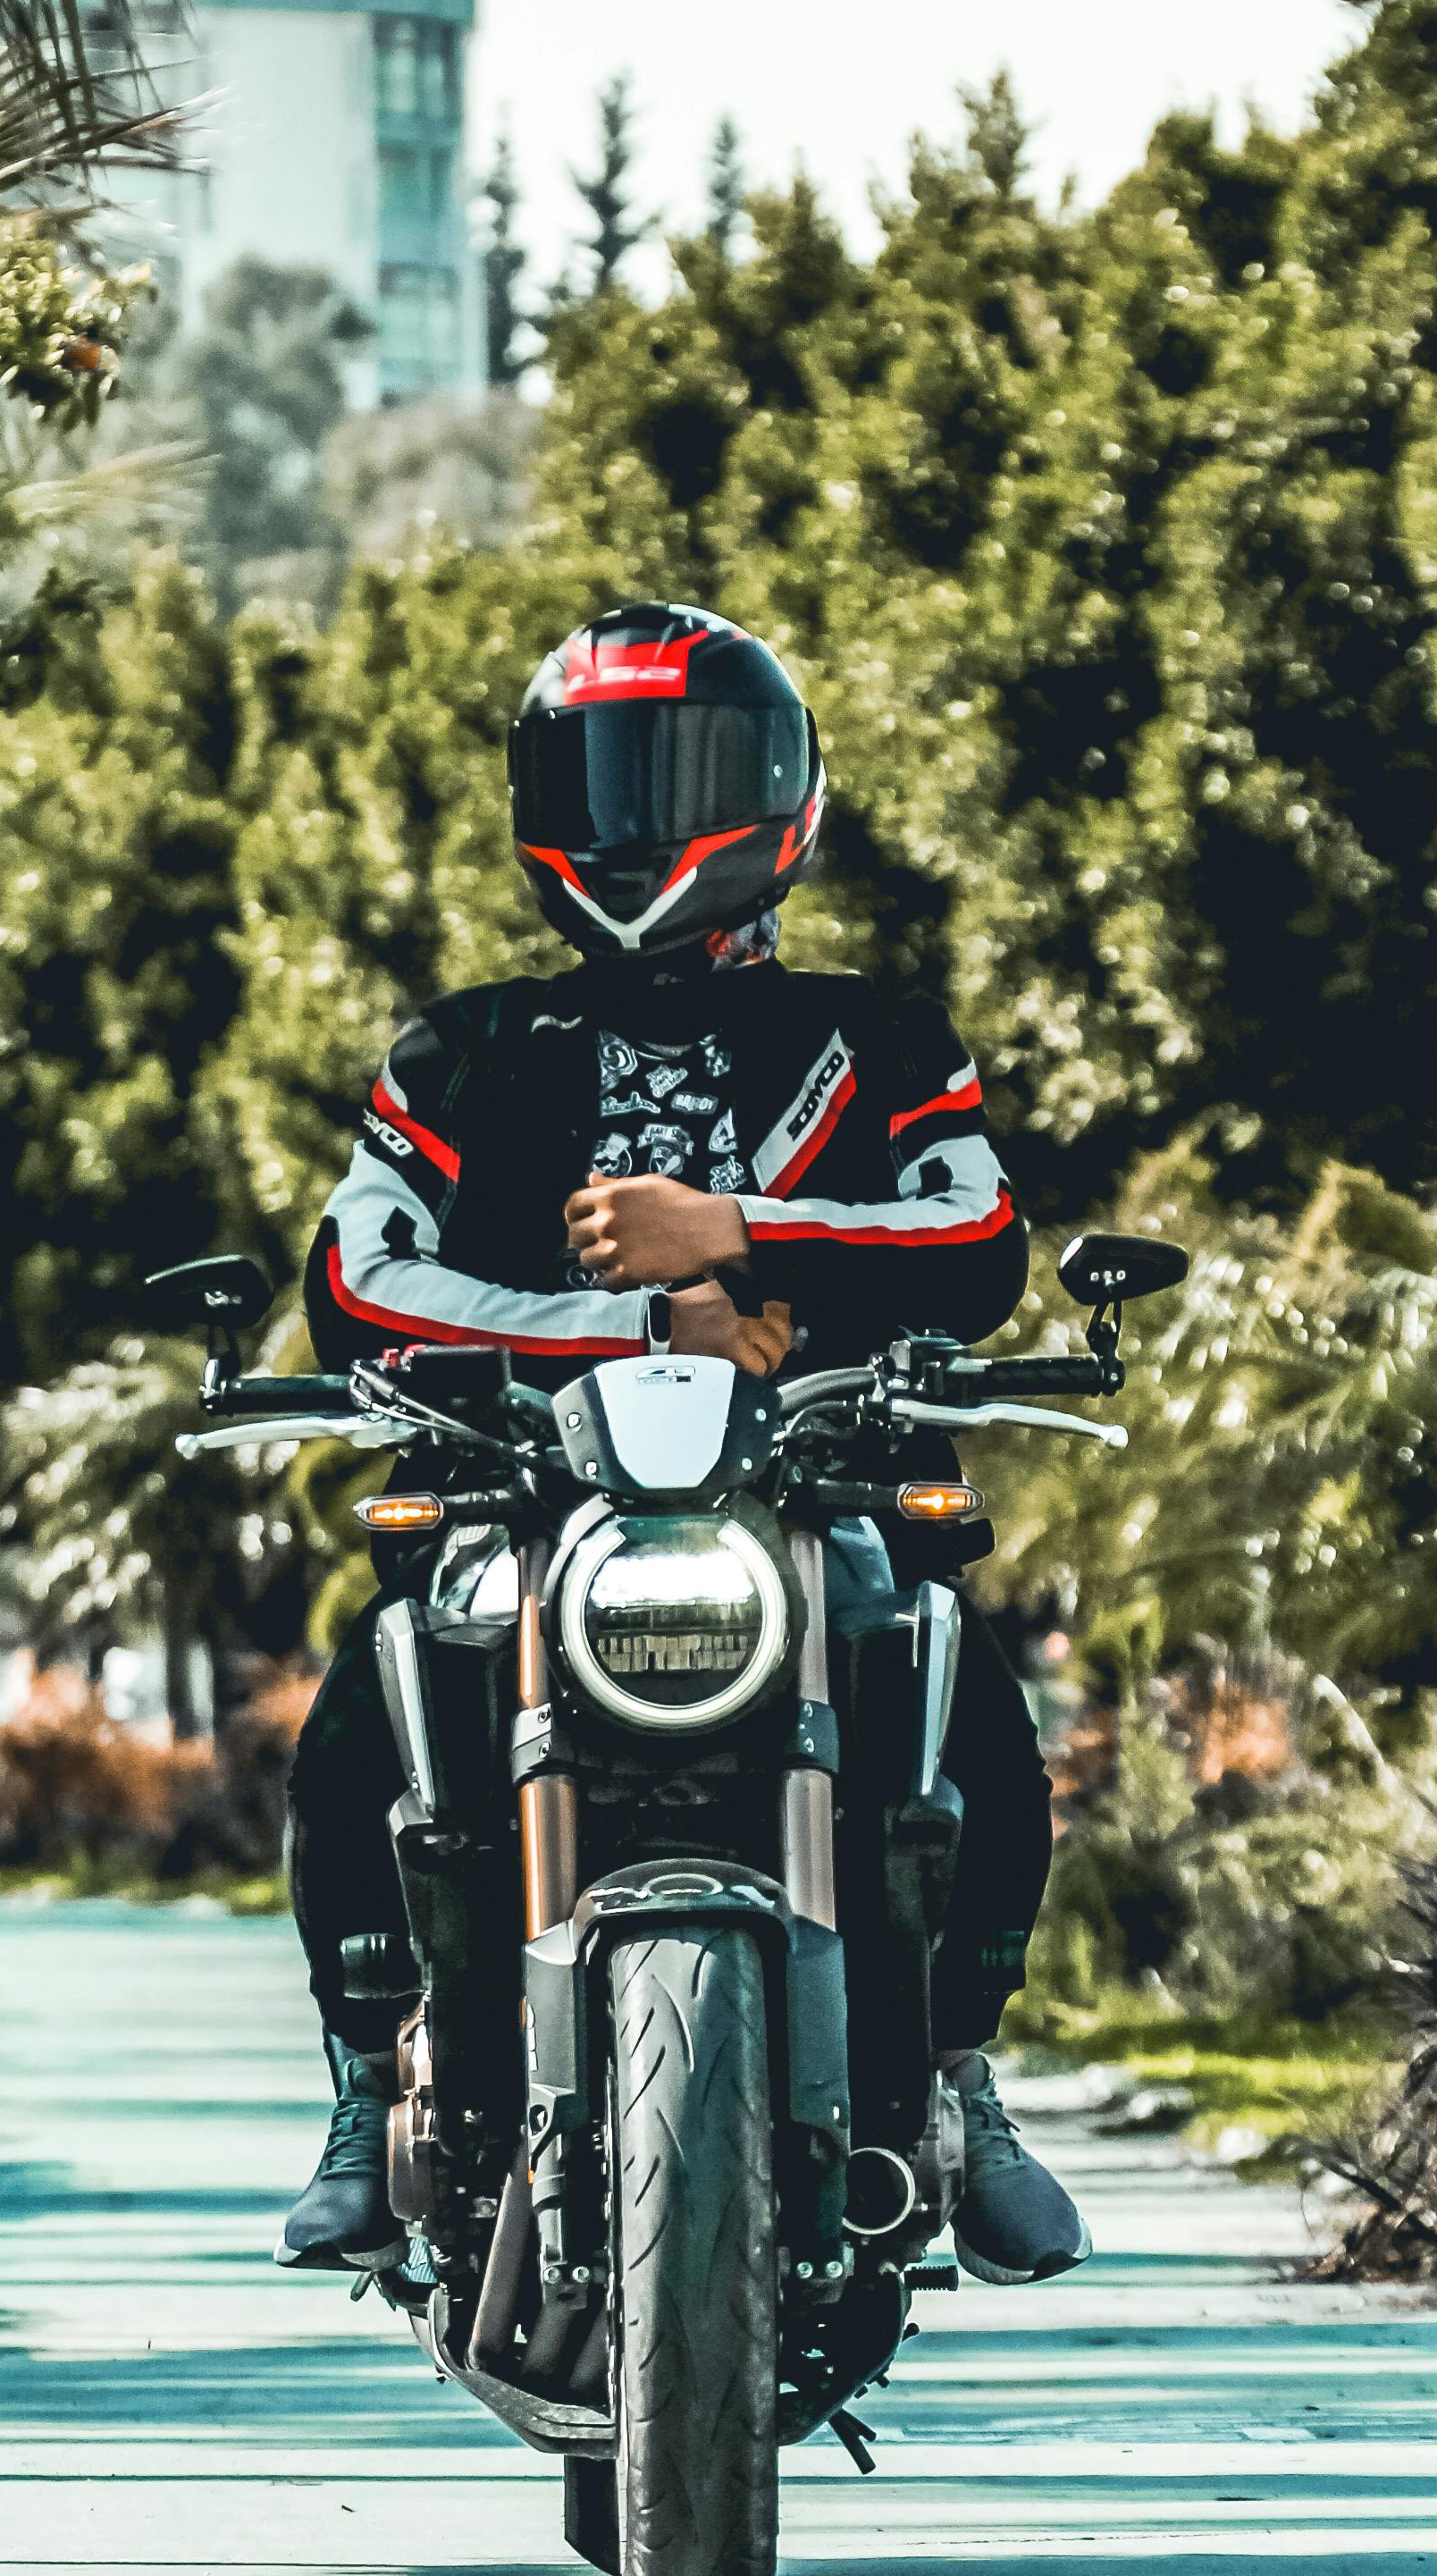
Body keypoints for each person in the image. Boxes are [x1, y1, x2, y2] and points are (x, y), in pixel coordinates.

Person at [275, 597, 1086, 2291]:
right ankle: (369, 2082)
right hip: (526, 1496)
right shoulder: (463, 1050)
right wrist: (643, 1326)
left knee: (965, 1703)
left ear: (777, 792)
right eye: (598, 772)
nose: (635, 815)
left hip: (815, 1484)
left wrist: (733, 1229)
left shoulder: (882, 1038)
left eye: (679, 771)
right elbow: (355, 1280)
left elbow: (978, 1238)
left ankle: (954, 2072)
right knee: (371, 1703)